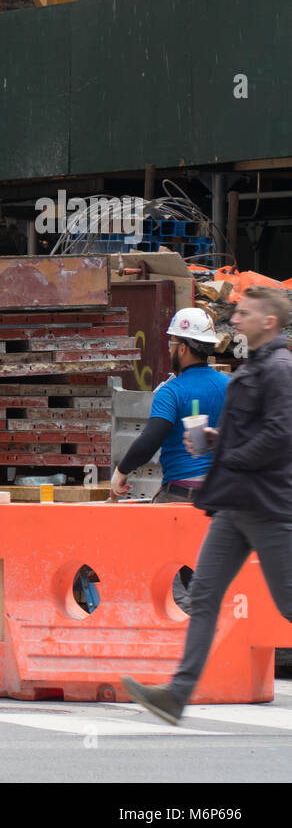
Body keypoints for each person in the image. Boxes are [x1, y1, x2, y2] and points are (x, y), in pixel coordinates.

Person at [123, 286, 292, 725]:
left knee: (288, 603)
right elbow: (255, 431)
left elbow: (280, 435)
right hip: (233, 505)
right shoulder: (247, 371)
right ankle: (176, 695)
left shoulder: (279, 368)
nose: (235, 321)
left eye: (245, 314)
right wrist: (219, 441)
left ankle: (177, 693)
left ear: (269, 321)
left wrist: (229, 455)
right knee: (202, 597)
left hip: (266, 505)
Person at [110, 308, 230, 504]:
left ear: (182, 349)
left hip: (181, 495)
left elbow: (149, 441)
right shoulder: (229, 386)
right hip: (223, 494)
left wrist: (121, 471)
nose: (169, 349)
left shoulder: (172, 391)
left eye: (171, 343)